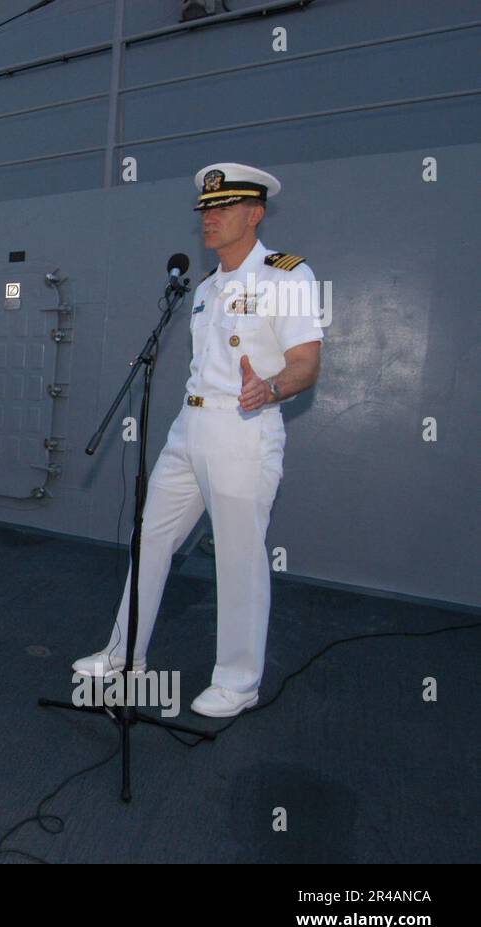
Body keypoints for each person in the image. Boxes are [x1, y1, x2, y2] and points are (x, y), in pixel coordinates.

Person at [73, 163, 323, 718]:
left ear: (254, 214)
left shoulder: (287, 276)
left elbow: (306, 364)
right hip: (188, 429)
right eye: (206, 209)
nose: (209, 218)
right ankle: (123, 655)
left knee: (237, 558)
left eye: (223, 208)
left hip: (245, 429)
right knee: (151, 540)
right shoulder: (205, 288)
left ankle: (238, 681)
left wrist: (271, 388)